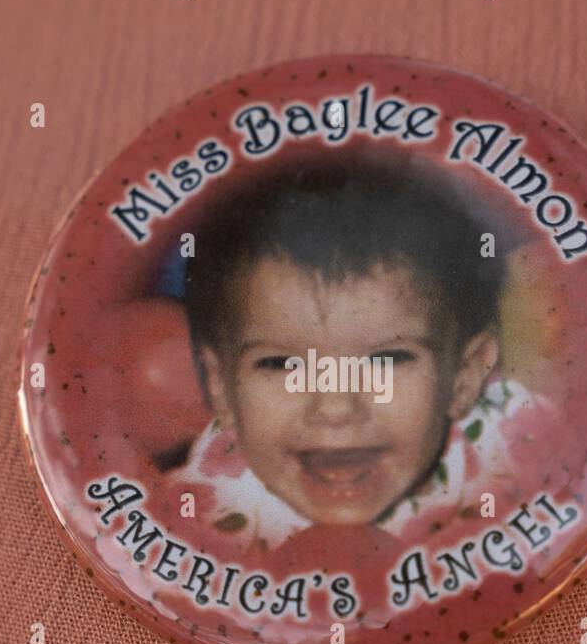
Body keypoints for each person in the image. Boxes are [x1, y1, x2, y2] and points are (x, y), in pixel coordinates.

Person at [170, 152, 556, 548]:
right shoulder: (203, 516)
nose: (336, 407)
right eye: (282, 364)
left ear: (464, 376)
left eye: (387, 360)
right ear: (220, 386)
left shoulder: (513, 448)